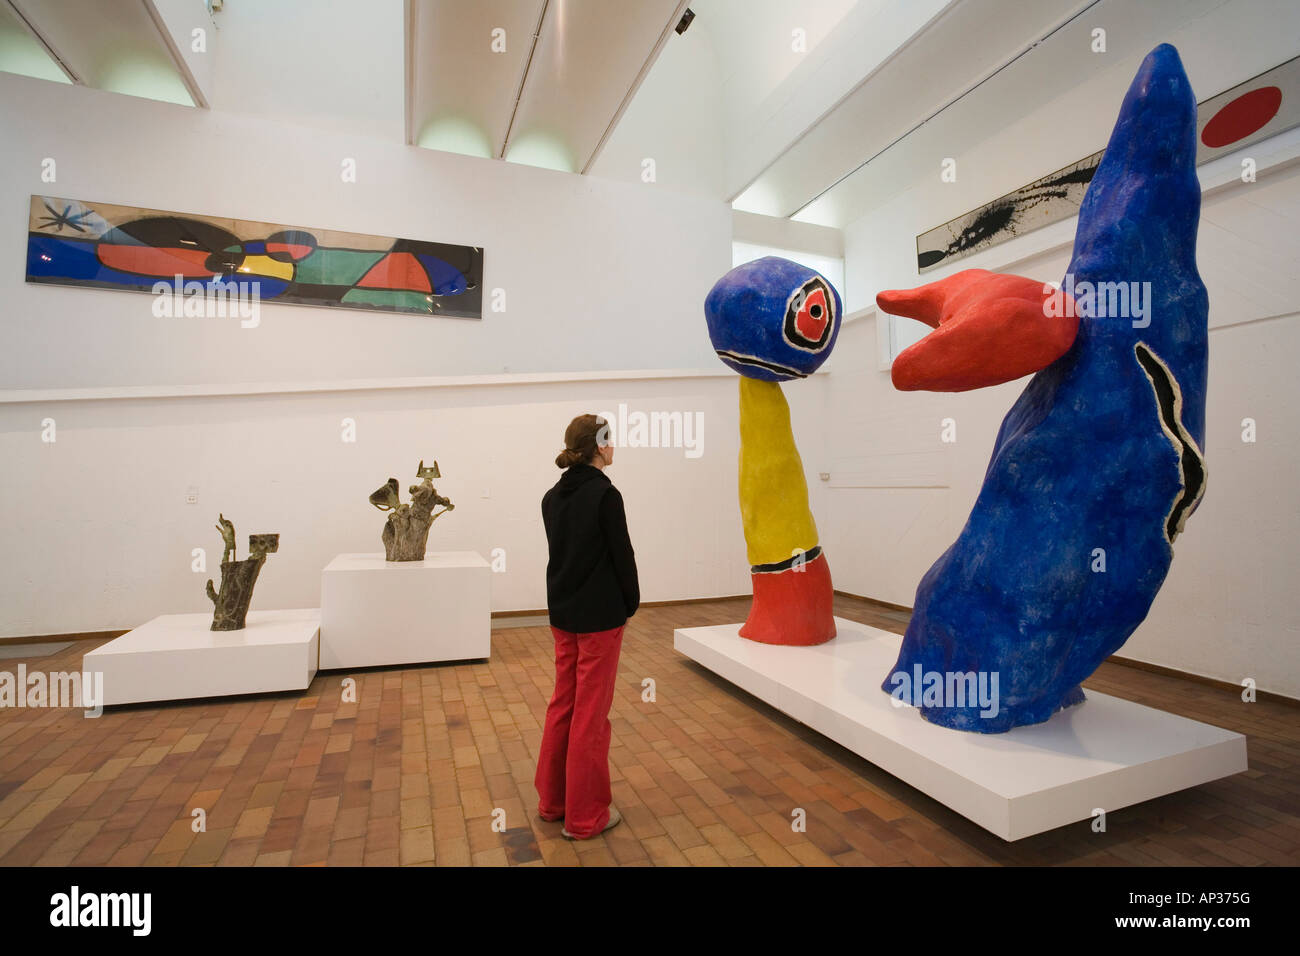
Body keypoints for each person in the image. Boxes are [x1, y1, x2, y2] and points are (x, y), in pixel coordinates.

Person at [535, 413, 640, 839]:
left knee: (564, 704)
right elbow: (622, 556)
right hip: (599, 619)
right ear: (598, 447)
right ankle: (585, 817)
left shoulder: (551, 497)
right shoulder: (605, 495)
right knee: (591, 717)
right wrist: (630, 603)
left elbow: (564, 556)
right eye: (610, 440)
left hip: (563, 616)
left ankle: (553, 803)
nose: (614, 446)